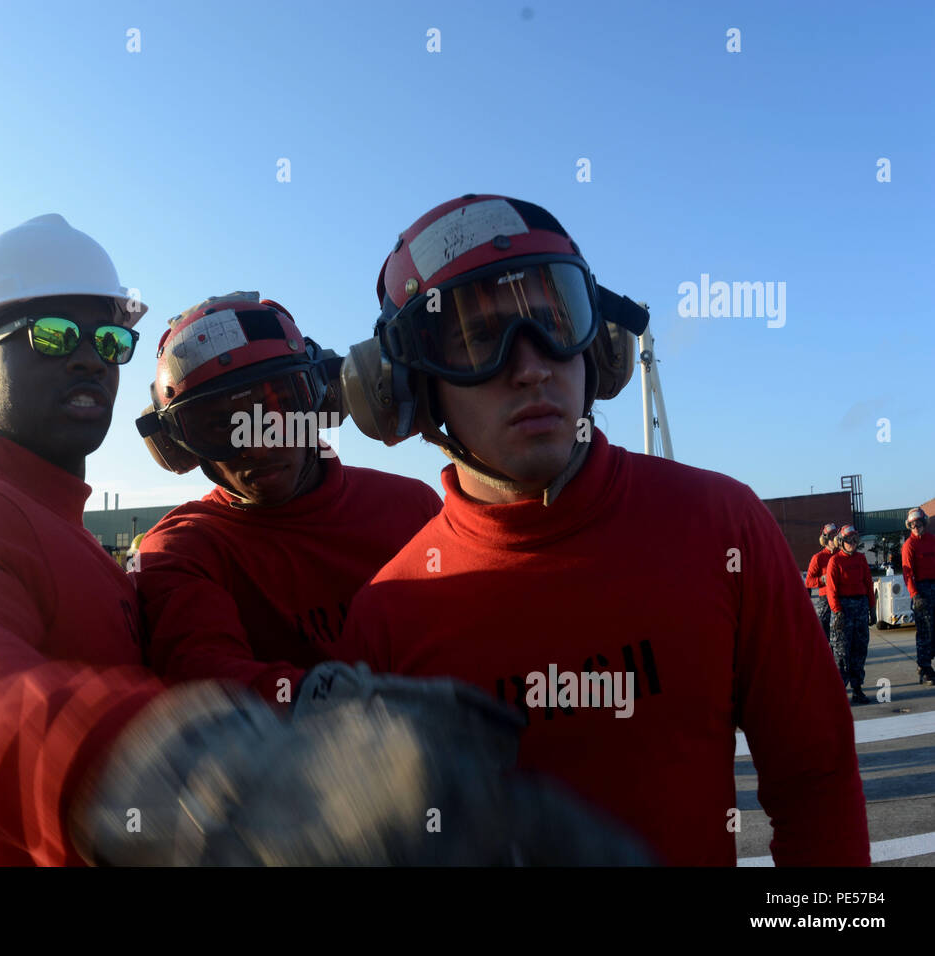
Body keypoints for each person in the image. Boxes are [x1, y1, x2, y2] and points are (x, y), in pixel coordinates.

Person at [0, 213, 642, 866]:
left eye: (108, 340)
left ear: (321, 396)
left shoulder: (408, 511)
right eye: (53, 336)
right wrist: (240, 779)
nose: (89, 357)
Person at [331, 193, 870, 866]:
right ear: (408, 387)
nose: (531, 366)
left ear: (599, 344)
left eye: (554, 317)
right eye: (475, 339)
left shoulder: (722, 526)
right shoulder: (388, 614)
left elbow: (815, 782)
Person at [133, 292, 442, 708]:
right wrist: (354, 711)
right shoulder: (181, 551)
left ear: (323, 395)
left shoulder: (413, 509)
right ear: (179, 445)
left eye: (278, 408)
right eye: (218, 426)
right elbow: (202, 674)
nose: (257, 443)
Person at [825, 525, 877, 704]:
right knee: (841, 652)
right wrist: (837, 612)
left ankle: (857, 688)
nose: (853, 543)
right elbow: (831, 590)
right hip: (843, 609)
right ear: (841, 542)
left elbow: (869, 584)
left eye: (855, 539)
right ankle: (838, 691)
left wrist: (872, 608)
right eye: (849, 540)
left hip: (861, 606)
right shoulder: (835, 561)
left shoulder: (861, 559)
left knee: (859, 649)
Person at [901, 507, 935, 686]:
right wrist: (915, 595)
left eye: (918, 523)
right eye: (912, 525)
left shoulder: (932, 540)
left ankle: (926, 664)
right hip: (921, 591)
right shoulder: (909, 546)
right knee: (925, 631)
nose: (916, 527)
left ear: (924, 523)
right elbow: (908, 574)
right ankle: (925, 668)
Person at [805, 523, 840, 641]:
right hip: (825, 599)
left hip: (842, 597)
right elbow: (808, 581)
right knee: (824, 631)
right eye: (831, 537)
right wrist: (822, 579)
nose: (834, 540)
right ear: (825, 540)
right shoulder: (818, 558)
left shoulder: (842, 555)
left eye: (836, 536)